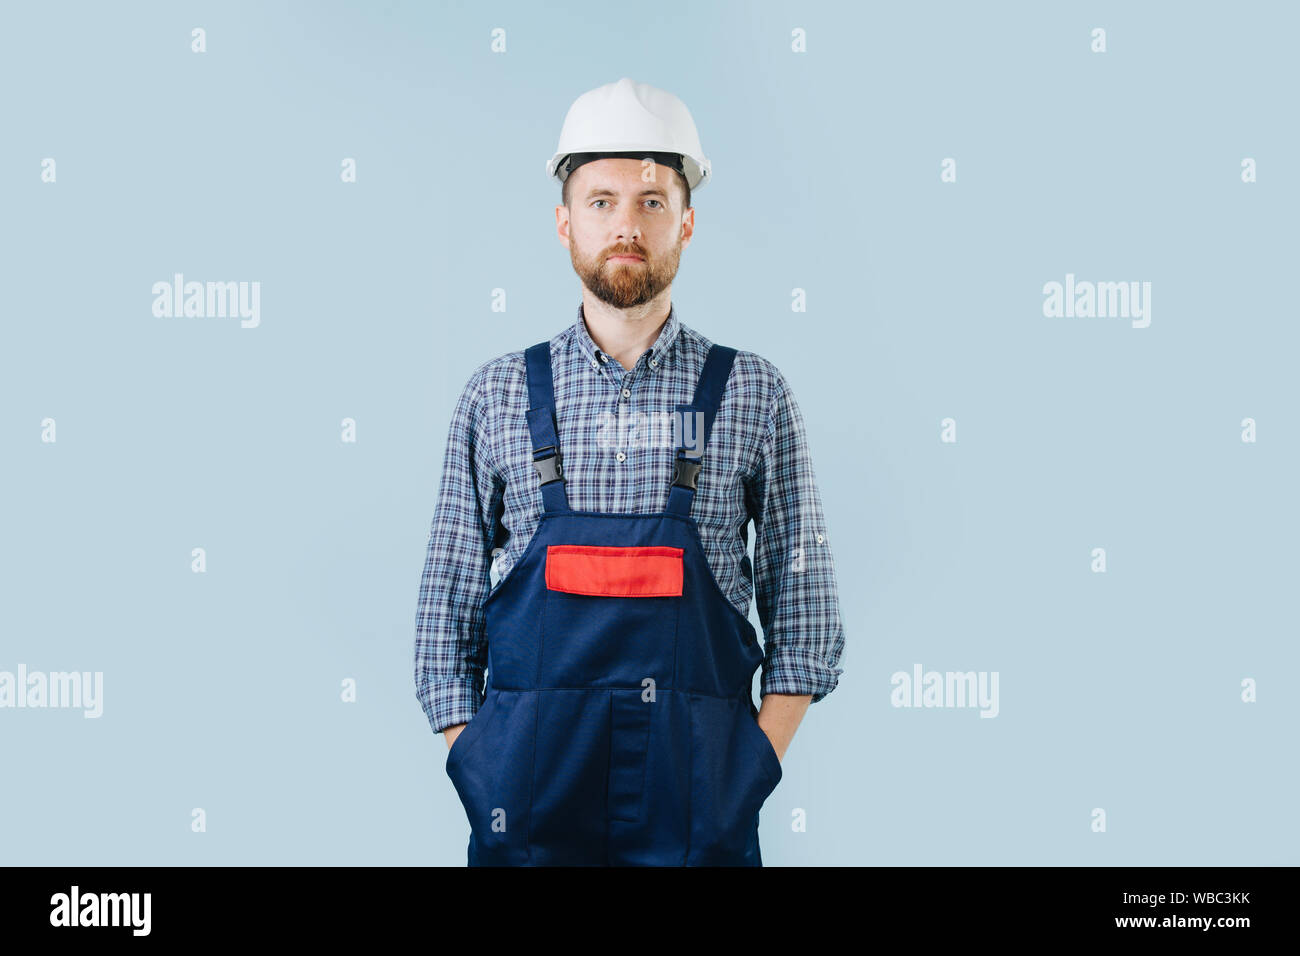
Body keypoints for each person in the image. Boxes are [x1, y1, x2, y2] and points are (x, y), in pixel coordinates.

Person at [414, 78, 845, 866]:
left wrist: (744, 777)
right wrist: (483, 768)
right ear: (564, 222)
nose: (626, 224)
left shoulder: (754, 392)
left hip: (698, 824)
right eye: (601, 200)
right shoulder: (496, 395)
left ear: (687, 221)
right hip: (526, 822)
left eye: (651, 201)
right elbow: (444, 620)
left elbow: (807, 614)